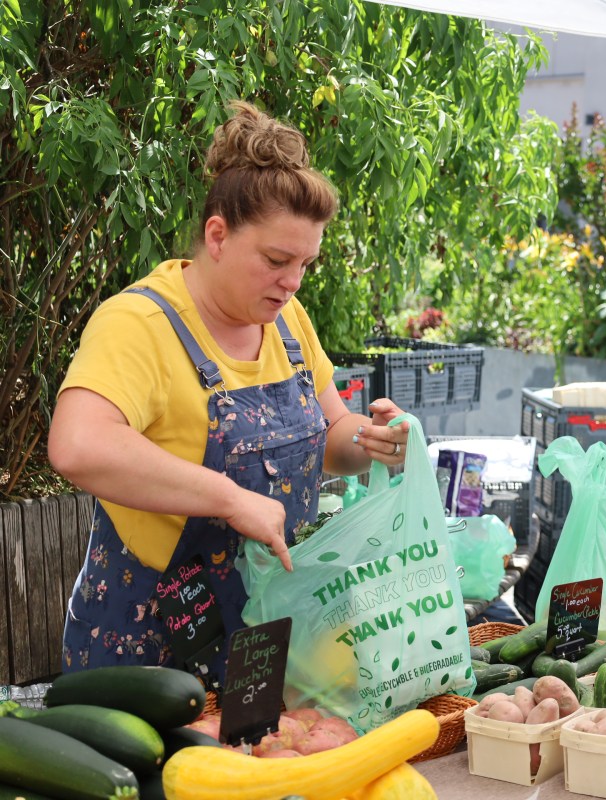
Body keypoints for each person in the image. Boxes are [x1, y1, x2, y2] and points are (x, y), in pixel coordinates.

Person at [48, 101, 409, 680]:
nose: (291, 282)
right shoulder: (139, 324)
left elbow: (331, 438)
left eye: (305, 265)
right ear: (217, 235)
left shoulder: (288, 323)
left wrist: (373, 438)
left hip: (263, 639)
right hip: (151, 656)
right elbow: (78, 446)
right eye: (276, 259)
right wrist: (231, 499)